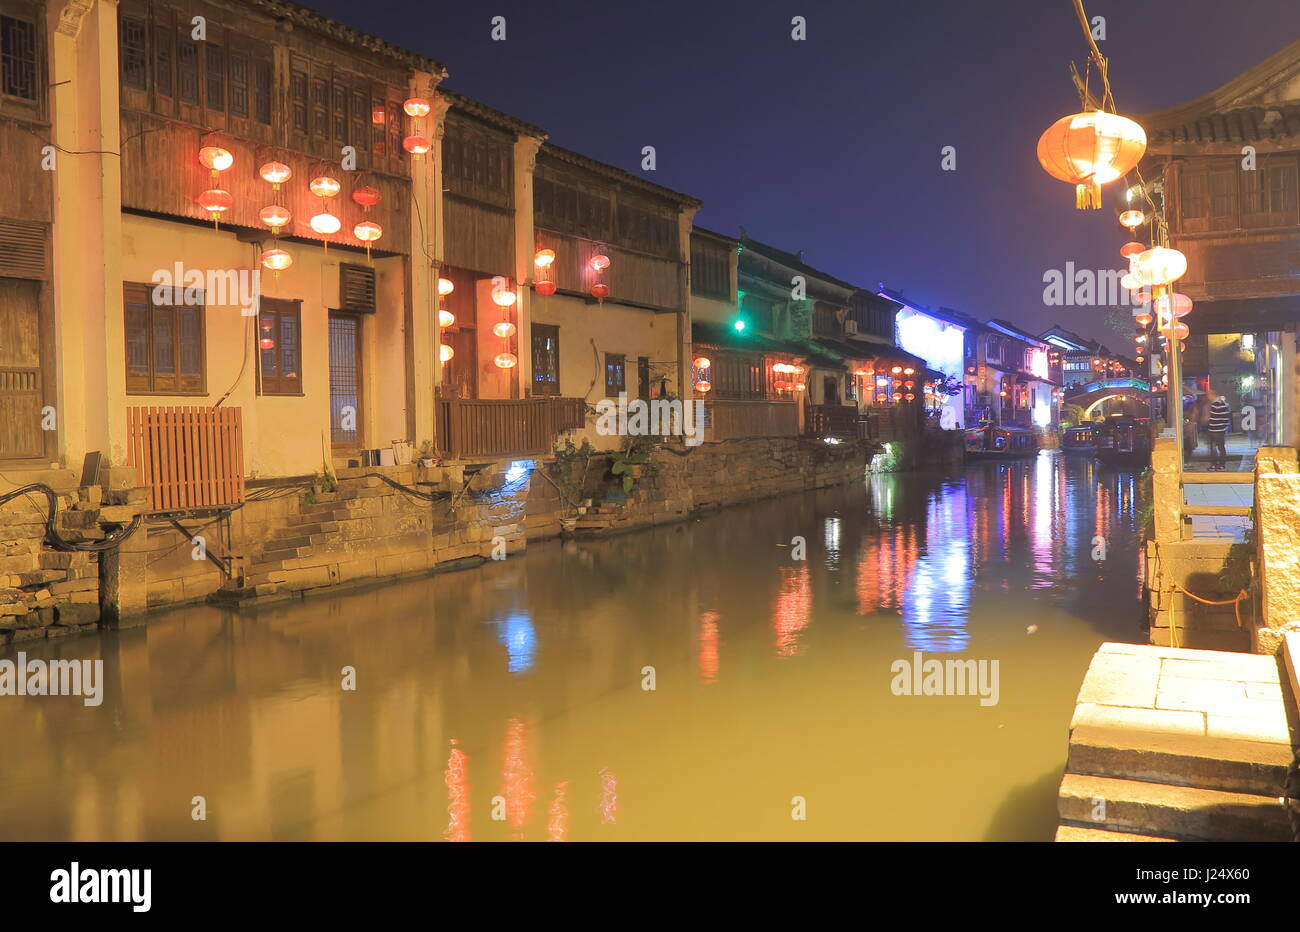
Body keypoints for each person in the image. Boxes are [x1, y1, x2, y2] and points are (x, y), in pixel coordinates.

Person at [1205, 387, 1232, 471]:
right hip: (1220, 429)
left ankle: (1217, 464)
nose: (1208, 396)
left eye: (1209, 395)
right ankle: (1220, 465)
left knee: (1215, 448)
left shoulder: (1215, 404)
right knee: (1220, 448)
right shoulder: (1223, 403)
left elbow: (1209, 417)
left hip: (1215, 429)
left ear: (1213, 395)